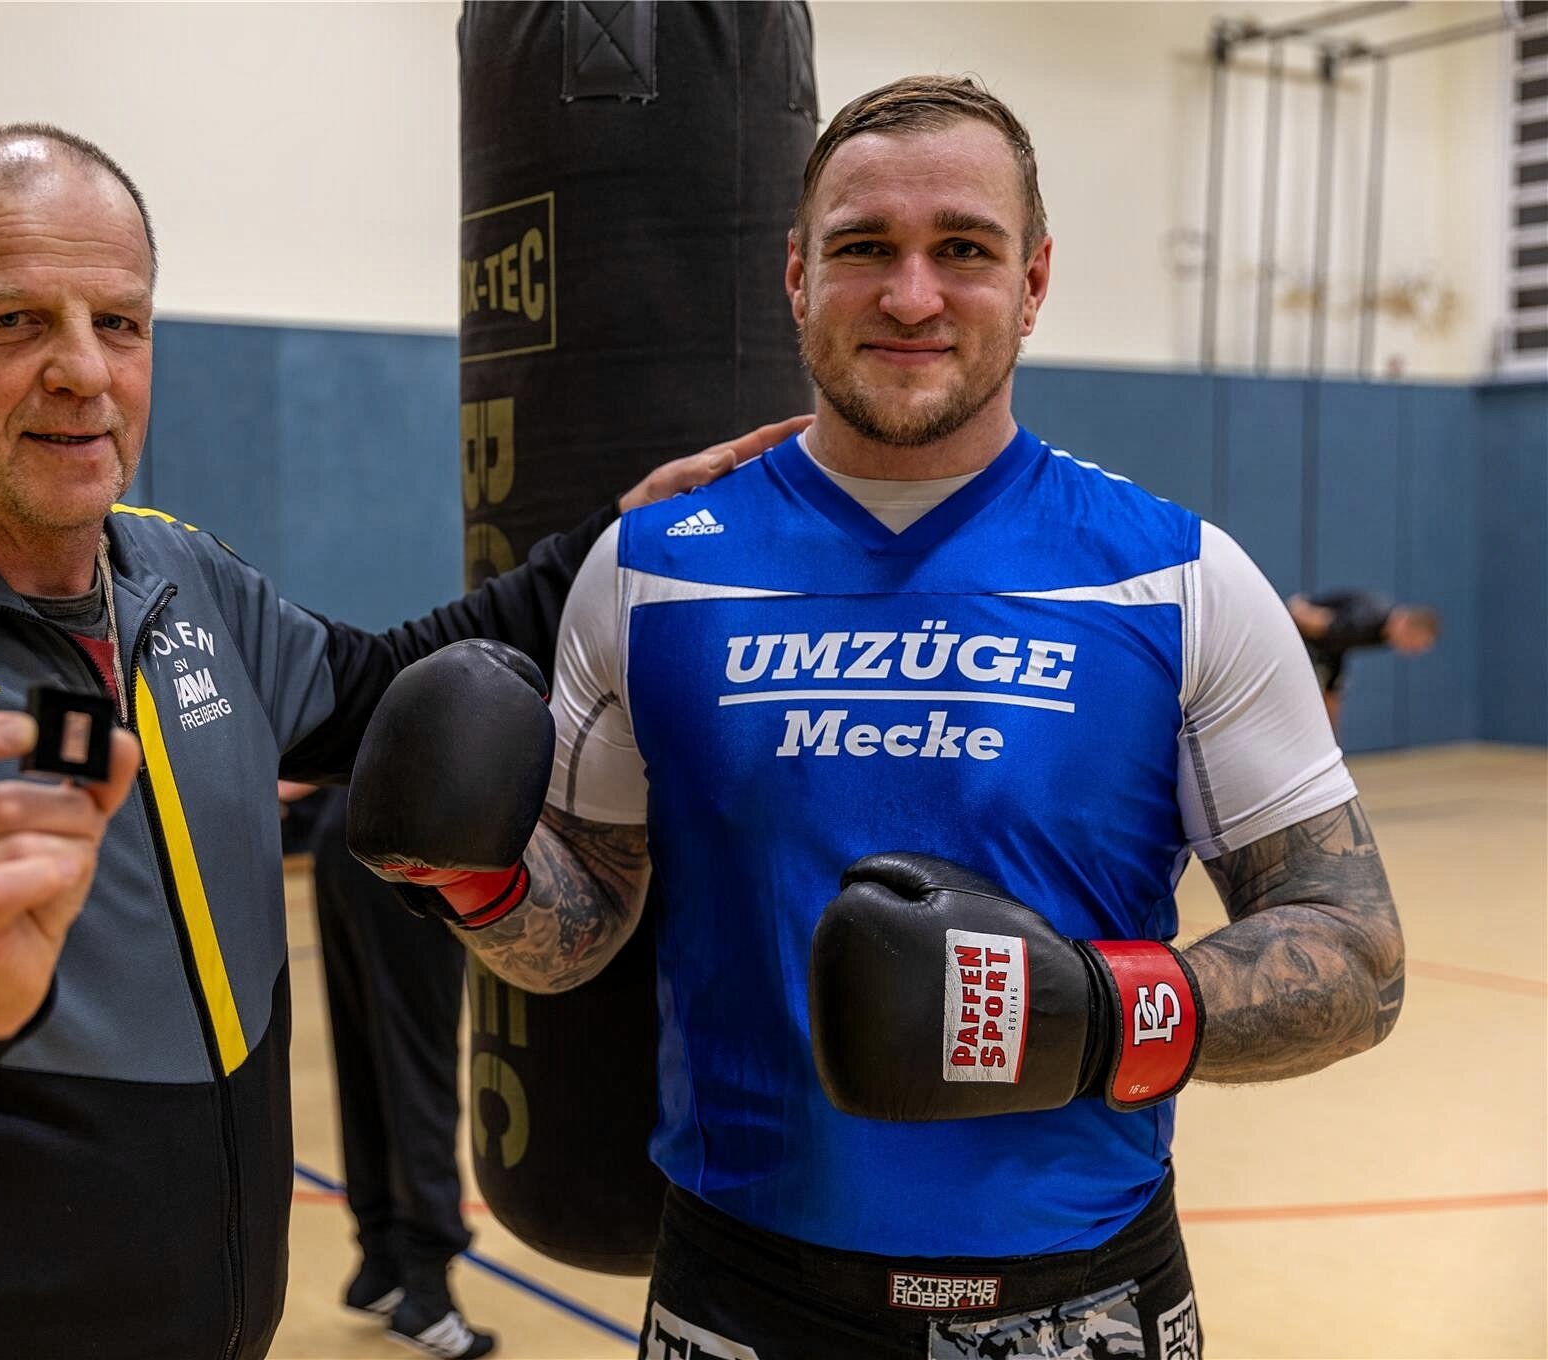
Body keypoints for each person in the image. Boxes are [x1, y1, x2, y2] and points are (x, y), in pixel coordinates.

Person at [0, 122, 801, 1360]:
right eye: (14, 323)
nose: (85, 371)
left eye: (122, 322)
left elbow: (378, 692)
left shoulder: (176, 574)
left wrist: (606, 542)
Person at [347, 77, 1406, 1357]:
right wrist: (480, 885)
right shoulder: (650, 571)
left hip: (1079, 1301)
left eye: (963, 247)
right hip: (736, 1290)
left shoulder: (1176, 578)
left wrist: (1093, 1013)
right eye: (864, 249)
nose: (912, 295)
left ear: (1034, 280)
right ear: (797, 274)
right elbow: (584, 930)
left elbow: (1355, 954)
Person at [308, 787, 492, 1358]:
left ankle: (382, 1264)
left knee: (364, 1050)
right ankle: (427, 1297)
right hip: (417, 839)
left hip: (344, 825)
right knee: (417, 1063)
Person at [1288, 590, 1441, 731]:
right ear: (1406, 625)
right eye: (1415, 645)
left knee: (1333, 697)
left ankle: (1330, 751)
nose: (1412, 651)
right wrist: (1296, 608)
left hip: (1333, 650)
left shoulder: (1386, 633)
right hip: (1304, 642)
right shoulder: (1368, 617)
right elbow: (1306, 617)